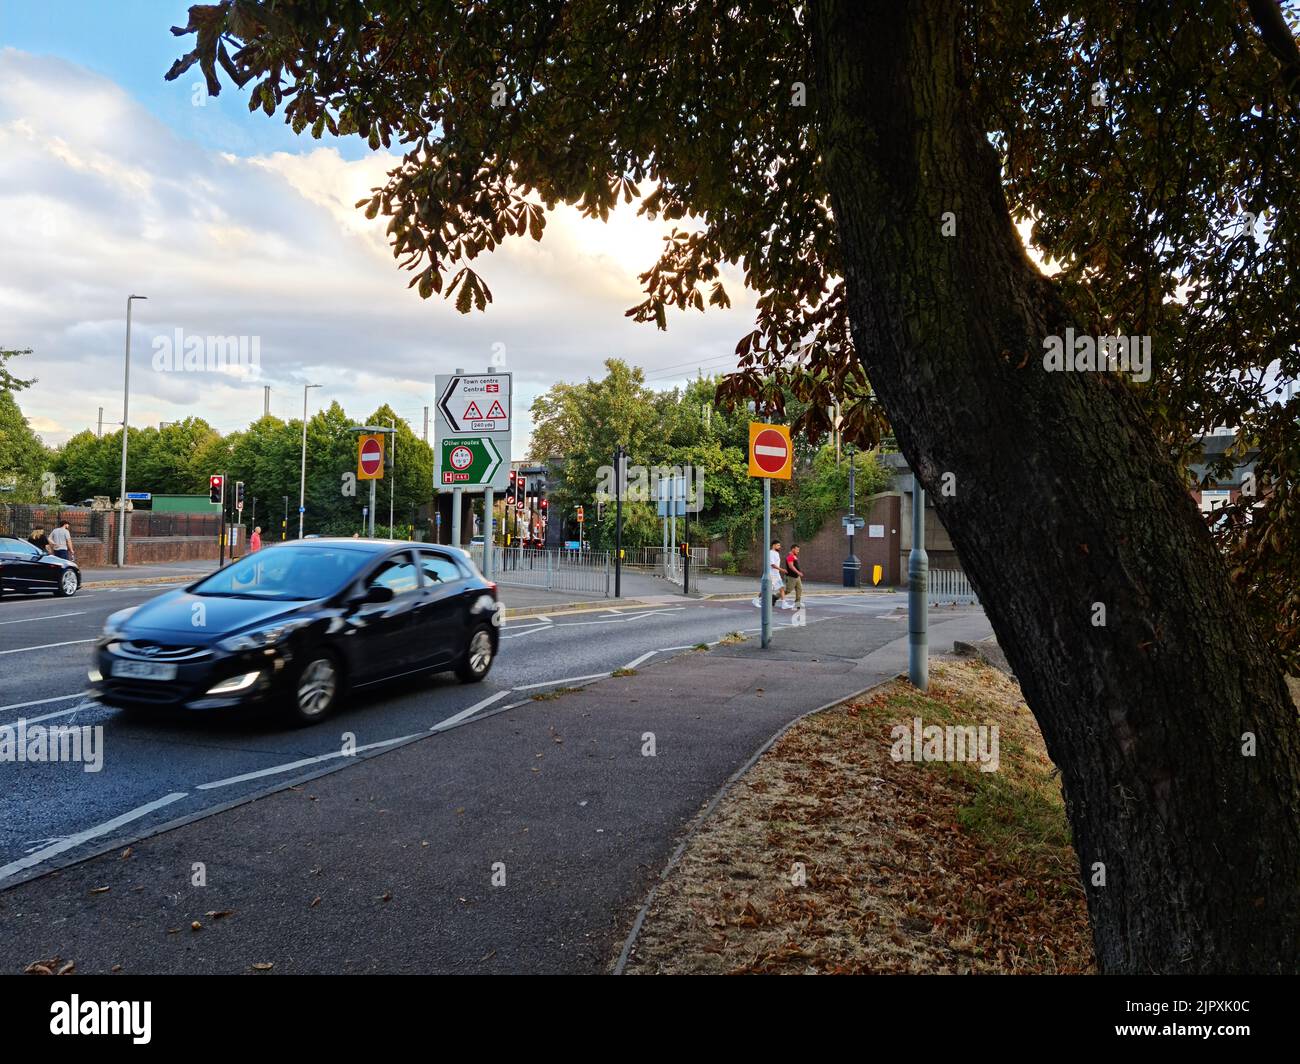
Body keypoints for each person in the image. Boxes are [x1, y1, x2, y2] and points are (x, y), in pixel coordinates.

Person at [753, 538, 787, 609]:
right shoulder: (770, 553)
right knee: (766, 589)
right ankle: (756, 600)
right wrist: (782, 570)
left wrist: (779, 571)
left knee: (781, 588)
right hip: (771, 574)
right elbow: (772, 564)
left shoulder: (777, 553)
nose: (779, 547)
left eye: (779, 545)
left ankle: (784, 604)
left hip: (776, 574)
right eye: (778, 545)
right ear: (773, 545)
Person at [784, 543, 803, 608]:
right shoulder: (790, 556)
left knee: (799, 589)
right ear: (793, 549)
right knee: (788, 591)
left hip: (797, 577)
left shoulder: (794, 556)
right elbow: (791, 566)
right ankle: (774, 597)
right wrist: (798, 572)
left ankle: (797, 604)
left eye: (798, 550)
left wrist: (798, 574)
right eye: (797, 550)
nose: (798, 551)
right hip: (791, 577)